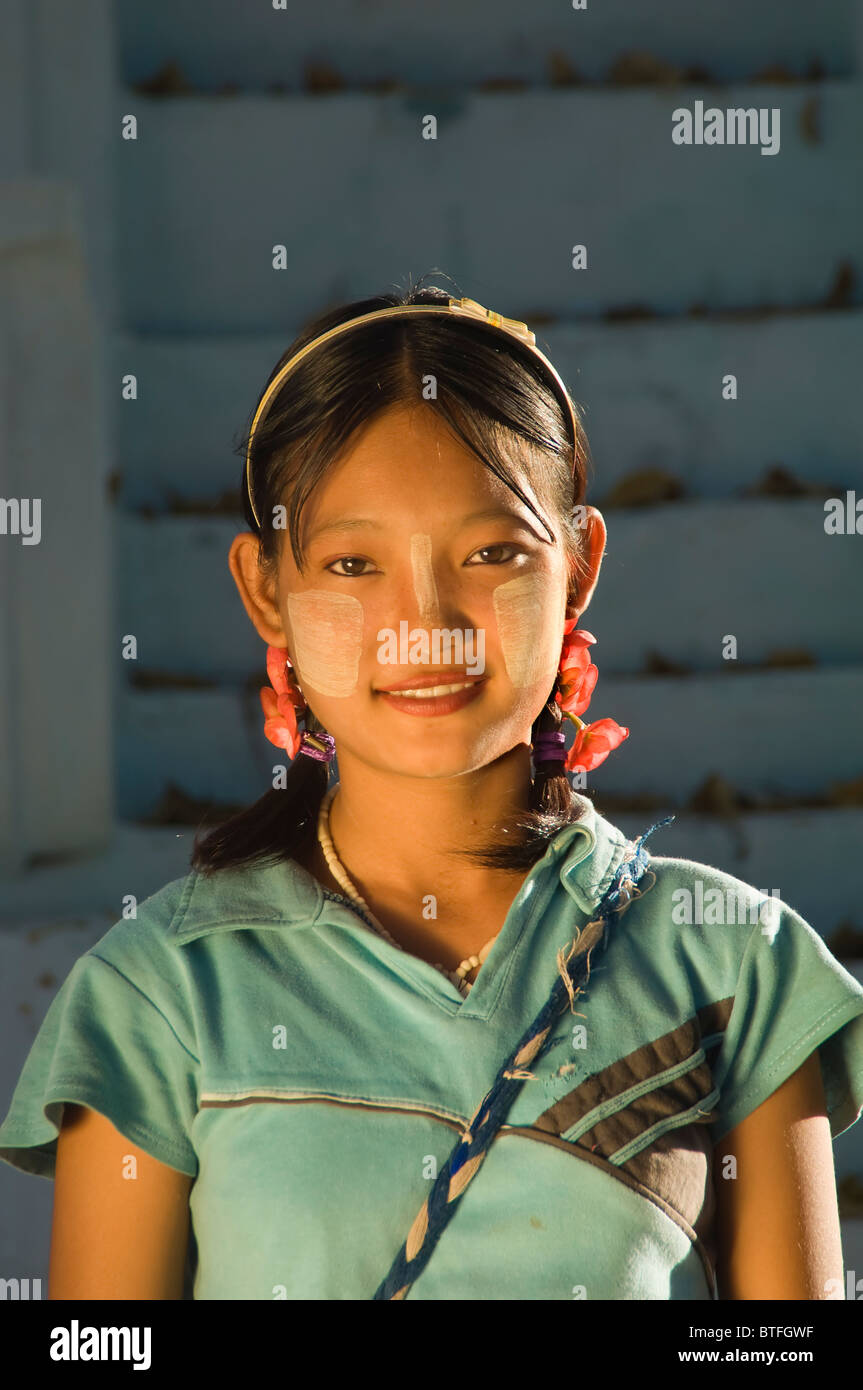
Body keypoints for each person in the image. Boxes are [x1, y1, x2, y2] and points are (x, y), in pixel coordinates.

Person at [2, 278, 862, 1301]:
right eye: (352, 562)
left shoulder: (728, 966)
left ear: (579, 565)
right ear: (264, 588)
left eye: (492, 551)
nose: (423, 620)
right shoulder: (161, 993)